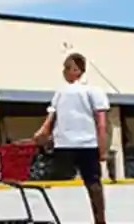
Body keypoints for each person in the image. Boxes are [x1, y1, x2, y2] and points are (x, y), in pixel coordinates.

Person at [32, 52, 110, 224]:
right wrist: (102, 149)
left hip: (73, 145)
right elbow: (101, 123)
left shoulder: (81, 91)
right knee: (93, 184)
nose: (64, 72)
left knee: (64, 179)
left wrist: (41, 134)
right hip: (78, 145)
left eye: (67, 68)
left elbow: (50, 120)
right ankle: (99, 220)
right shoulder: (77, 92)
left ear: (77, 70)